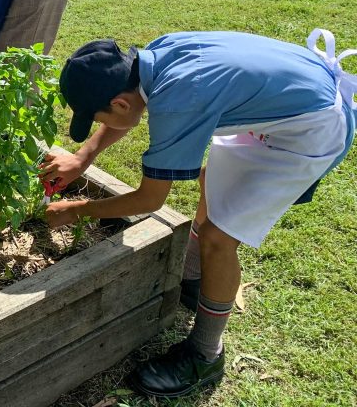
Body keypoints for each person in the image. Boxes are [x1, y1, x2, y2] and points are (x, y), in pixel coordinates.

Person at [41, 31, 356, 398]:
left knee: (219, 238)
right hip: (288, 100)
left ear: (120, 104)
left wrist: (78, 210)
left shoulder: (178, 102)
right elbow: (129, 114)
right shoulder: (154, 57)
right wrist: (83, 157)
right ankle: (192, 279)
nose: (98, 122)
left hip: (311, 127)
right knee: (211, 180)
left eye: (97, 116)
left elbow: (149, 200)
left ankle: (206, 355)